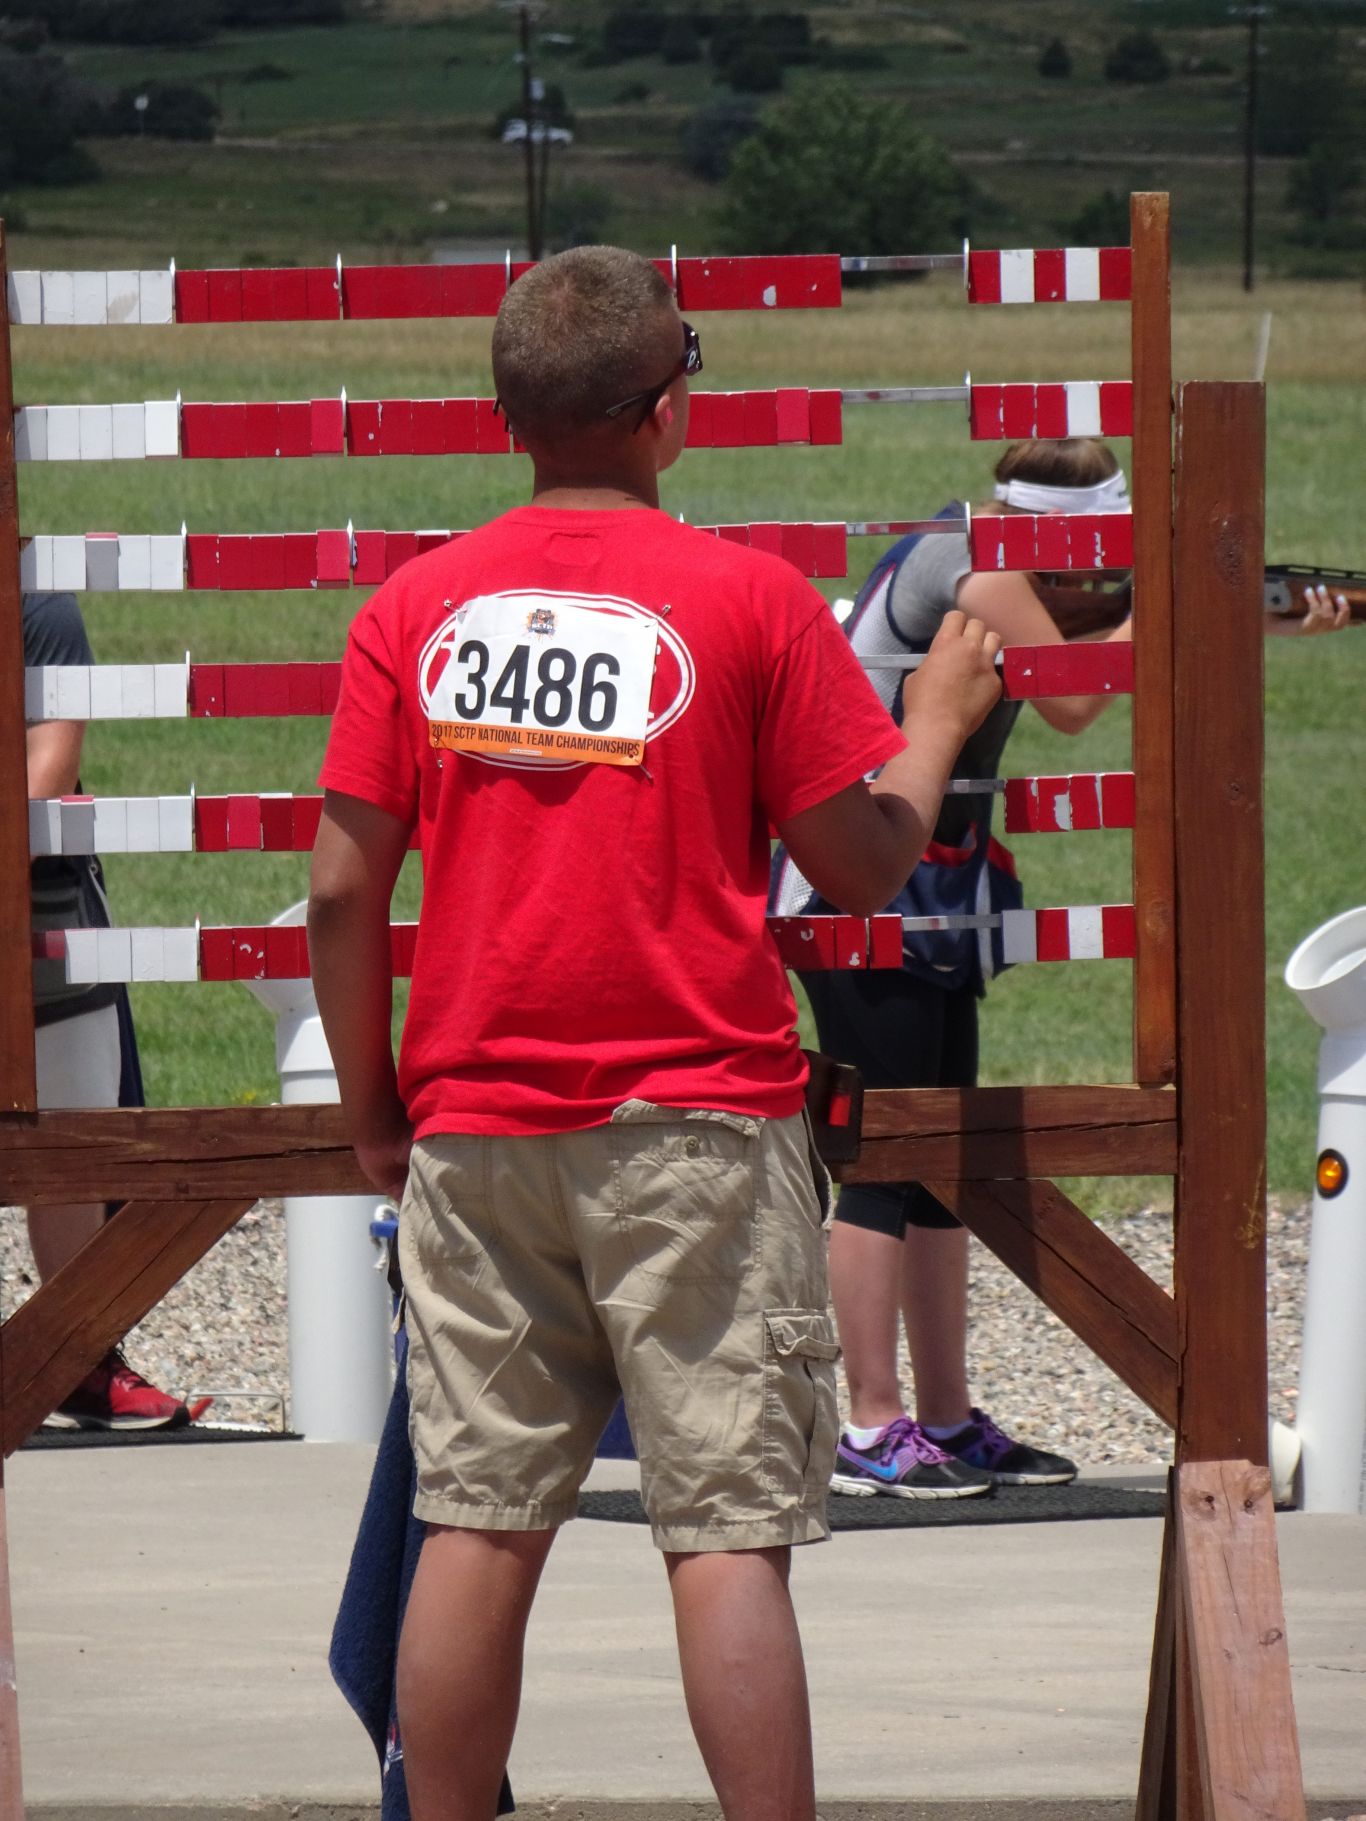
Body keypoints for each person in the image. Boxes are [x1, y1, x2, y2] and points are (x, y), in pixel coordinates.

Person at [306, 244, 1002, 1821]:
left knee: (475, 1521)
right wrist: (940, 718)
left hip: (476, 1129)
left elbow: (342, 892)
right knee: (724, 1535)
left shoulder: (412, 609)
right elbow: (862, 859)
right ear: (664, 405)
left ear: (510, 416)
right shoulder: (747, 599)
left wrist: (373, 1109)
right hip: (696, 1125)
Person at [771, 437, 1353, 1505]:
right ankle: (866, 1423)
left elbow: (1115, 639)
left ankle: (940, 1416)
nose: (1094, 568)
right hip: (859, 874)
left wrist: (1246, 610)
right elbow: (1078, 698)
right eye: (1082, 547)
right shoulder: (981, 564)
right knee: (885, 1158)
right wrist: (1194, 597)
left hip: (925, 876)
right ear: (1033, 521)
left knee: (951, 1156)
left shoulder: (1013, 561)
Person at [23, 587, 190, 1431]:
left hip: (42, 899)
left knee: (78, 1144)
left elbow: (46, 777)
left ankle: (78, 1358)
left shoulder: (42, 609)